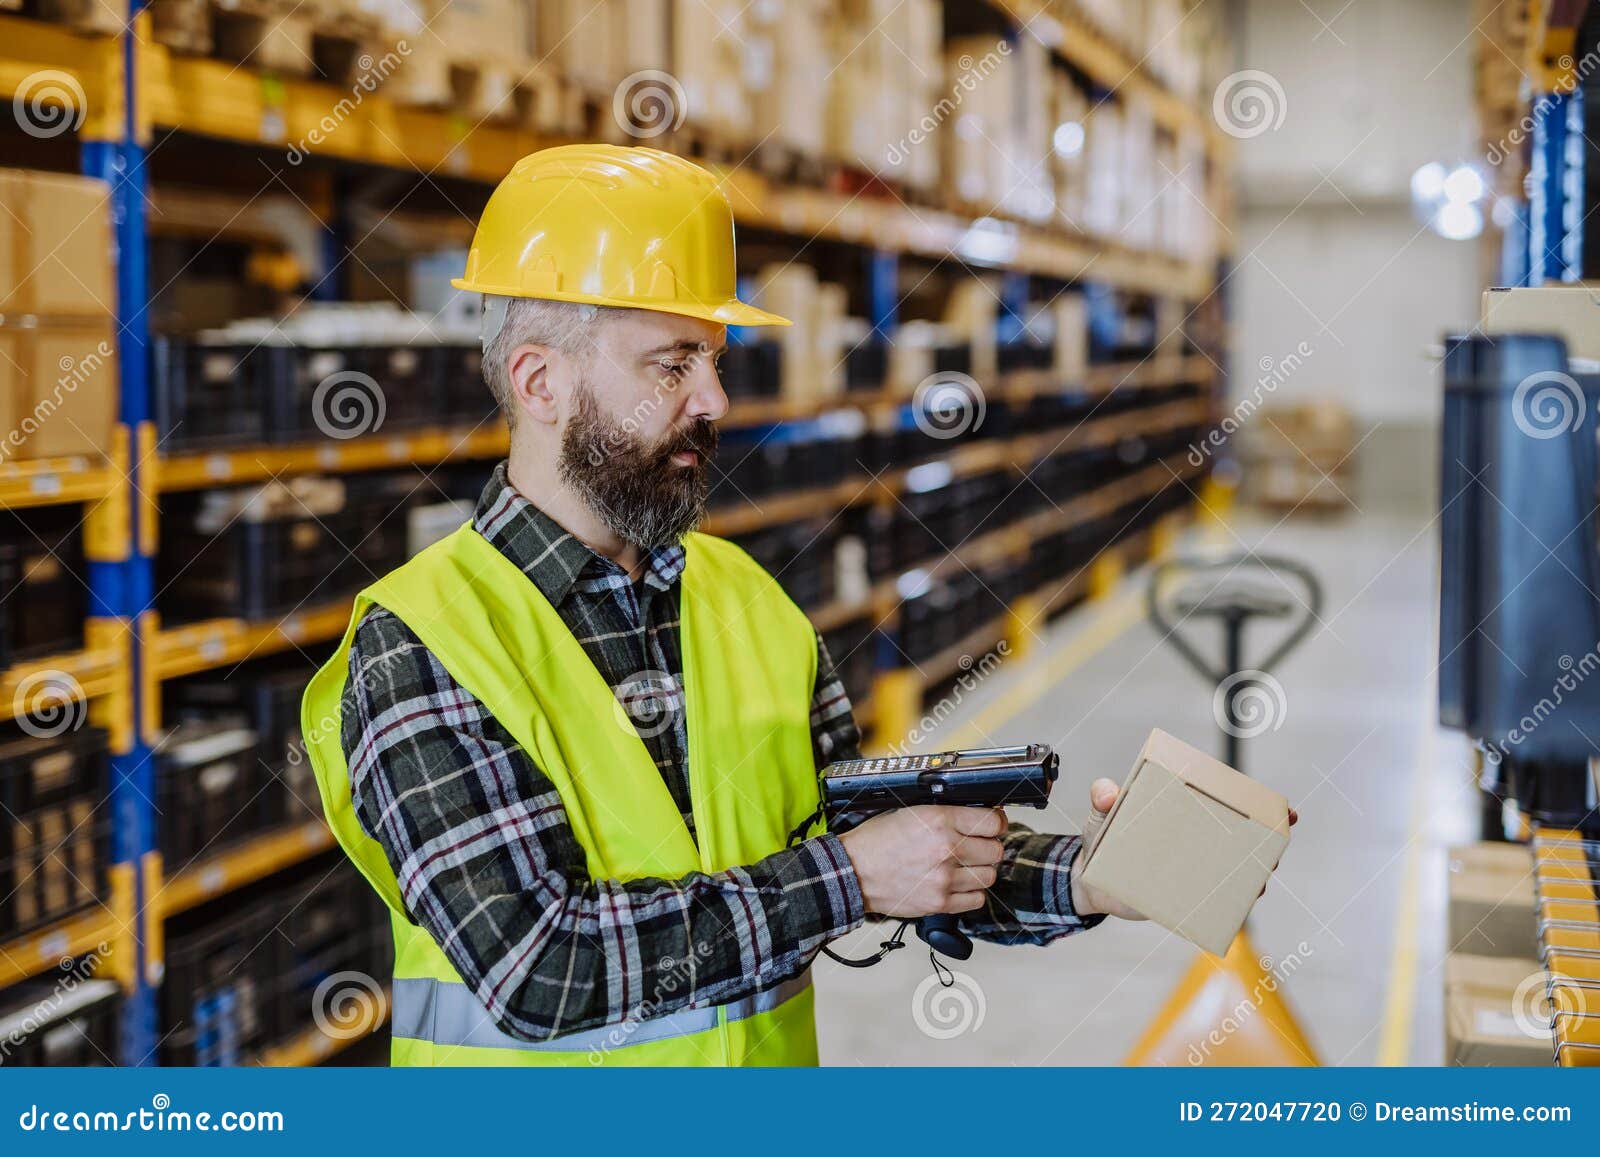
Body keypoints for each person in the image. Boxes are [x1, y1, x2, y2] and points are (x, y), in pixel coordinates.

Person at [303, 144, 1244, 1067]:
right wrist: (854, 875)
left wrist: (1091, 875)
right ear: (540, 382)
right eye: (672, 364)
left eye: (713, 359)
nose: (715, 397)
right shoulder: (423, 642)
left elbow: (867, 843)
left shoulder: (744, 598)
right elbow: (540, 965)